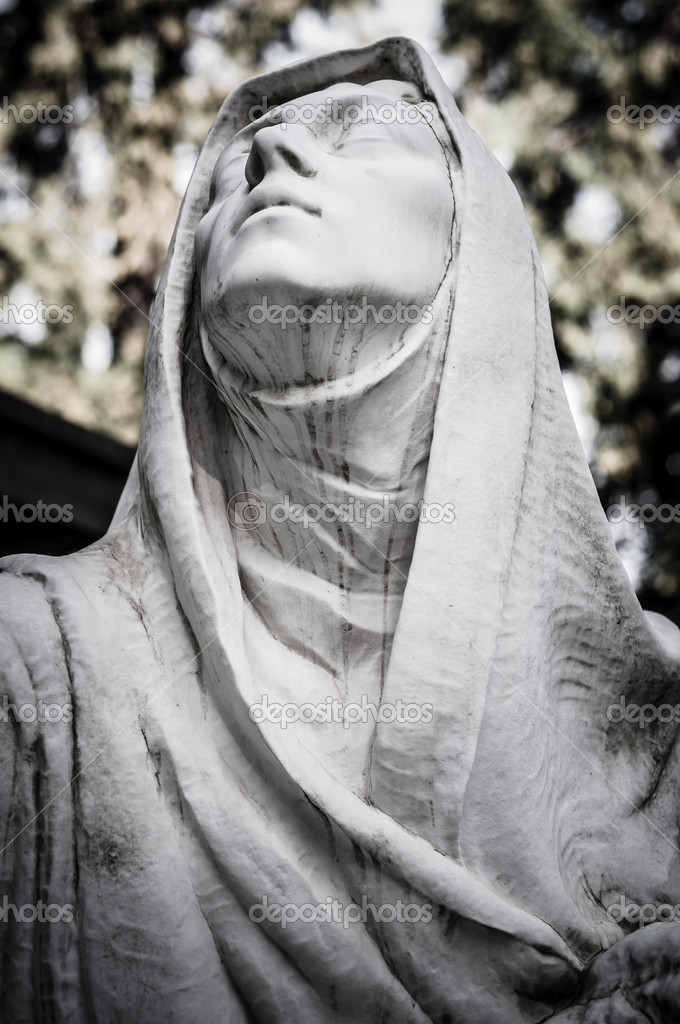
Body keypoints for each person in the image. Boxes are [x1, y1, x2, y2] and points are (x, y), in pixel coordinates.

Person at [1, 36, 679, 1023]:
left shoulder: (655, 731)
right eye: (234, 163)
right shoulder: (34, 667)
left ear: (473, 244)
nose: (271, 161)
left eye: (363, 137)